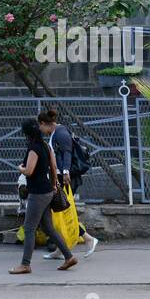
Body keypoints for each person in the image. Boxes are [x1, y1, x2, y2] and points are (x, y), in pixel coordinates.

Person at [9, 119, 76, 275]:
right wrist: (54, 184)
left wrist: (20, 168)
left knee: (29, 228)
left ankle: (25, 264)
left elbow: (29, 171)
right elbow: (53, 167)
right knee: (48, 228)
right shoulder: (46, 146)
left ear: (26, 134)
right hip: (48, 191)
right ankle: (69, 256)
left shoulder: (33, 148)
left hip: (38, 193)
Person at [38, 108, 99, 258]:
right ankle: (62, 248)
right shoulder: (55, 133)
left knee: (64, 213)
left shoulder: (60, 132)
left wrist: (65, 172)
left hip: (63, 179)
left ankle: (88, 239)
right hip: (58, 178)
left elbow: (67, 152)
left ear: (44, 123)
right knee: (60, 214)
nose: (40, 130)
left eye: (40, 126)